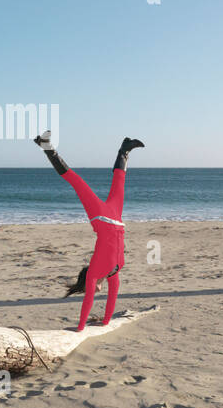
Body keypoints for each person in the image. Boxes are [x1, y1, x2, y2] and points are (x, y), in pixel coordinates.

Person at [34, 131, 143, 330]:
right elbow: (113, 296)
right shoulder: (115, 270)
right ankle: (125, 151)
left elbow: (89, 301)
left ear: (88, 283)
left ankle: (47, 147)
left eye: (88, 289)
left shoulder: (94, 272)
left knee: (76, 181)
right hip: (116, 217)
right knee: (119, 182)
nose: (92, 291)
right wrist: (106, 321)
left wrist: (81, 327)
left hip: (101, 216)